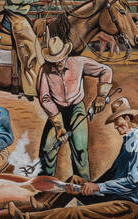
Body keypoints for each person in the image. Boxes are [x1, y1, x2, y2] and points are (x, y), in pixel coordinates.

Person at [5, 97, 138, 219]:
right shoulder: (130, 140)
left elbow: (132, 182)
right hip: (115, 196)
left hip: (127, 206)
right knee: (74, 180)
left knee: (76, 213)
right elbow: (113, 173)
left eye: (118, 121)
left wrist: (97, 187)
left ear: (127, 118)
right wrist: (88, 187)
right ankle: (44, 208)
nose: (116, 126)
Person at [36, 36, 114, 180]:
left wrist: (101, 96)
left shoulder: (79, 63)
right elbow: (45, 98)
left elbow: (106, 70)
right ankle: (45, 188)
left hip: (76, 108)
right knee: (47, 149)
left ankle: (83, 189)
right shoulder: (44, 70)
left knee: (80, 150)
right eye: (54, 60)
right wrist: (59, 126)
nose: (57, 62)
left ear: (66, 54)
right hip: (56, 111)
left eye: (60, 58)